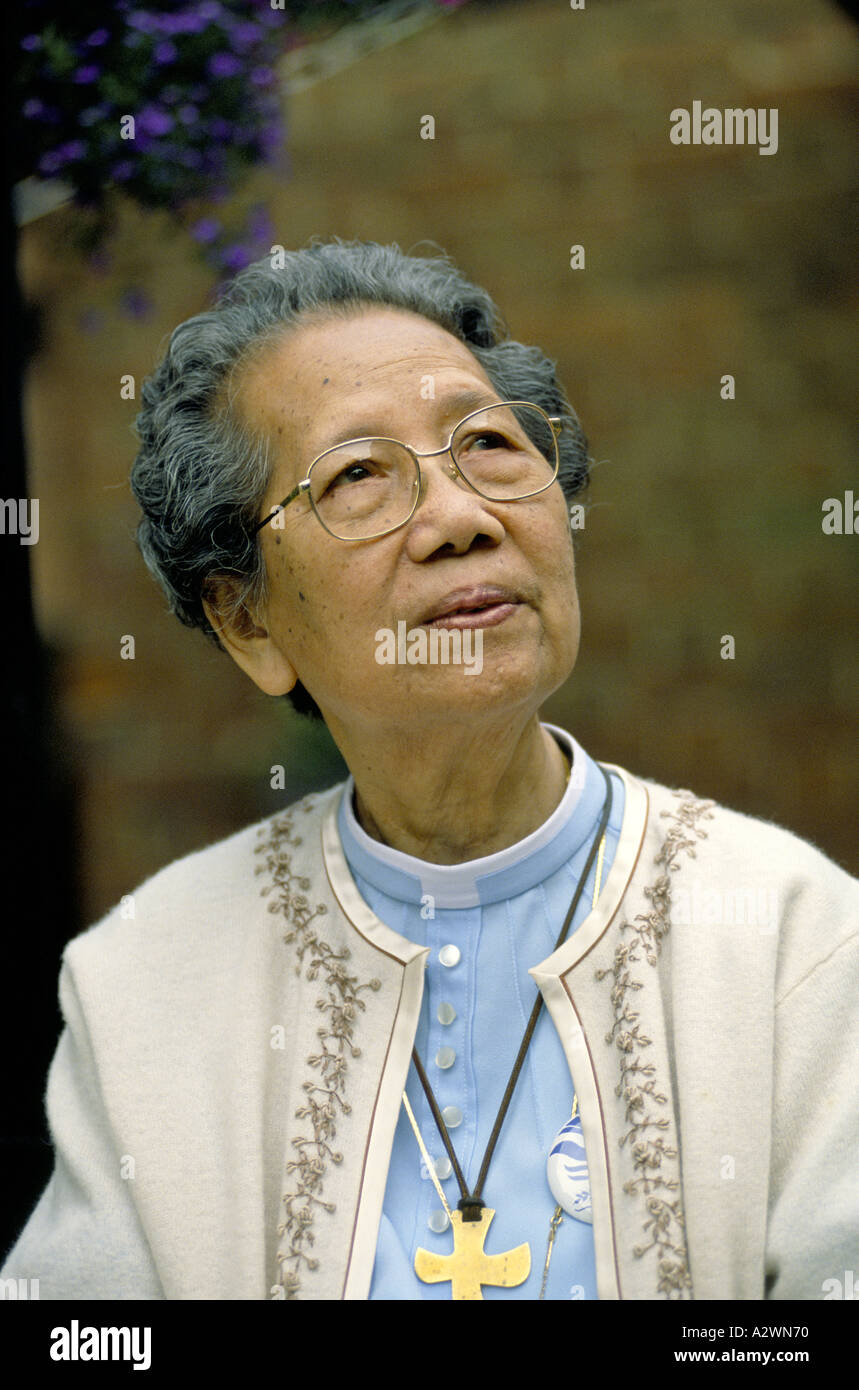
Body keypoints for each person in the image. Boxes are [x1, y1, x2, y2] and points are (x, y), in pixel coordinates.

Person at [3, 239, 856, 1301]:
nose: (461, 518)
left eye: (490, 443)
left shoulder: (795, 942)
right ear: (247, 617)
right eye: (358, 474)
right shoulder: (145, 986)